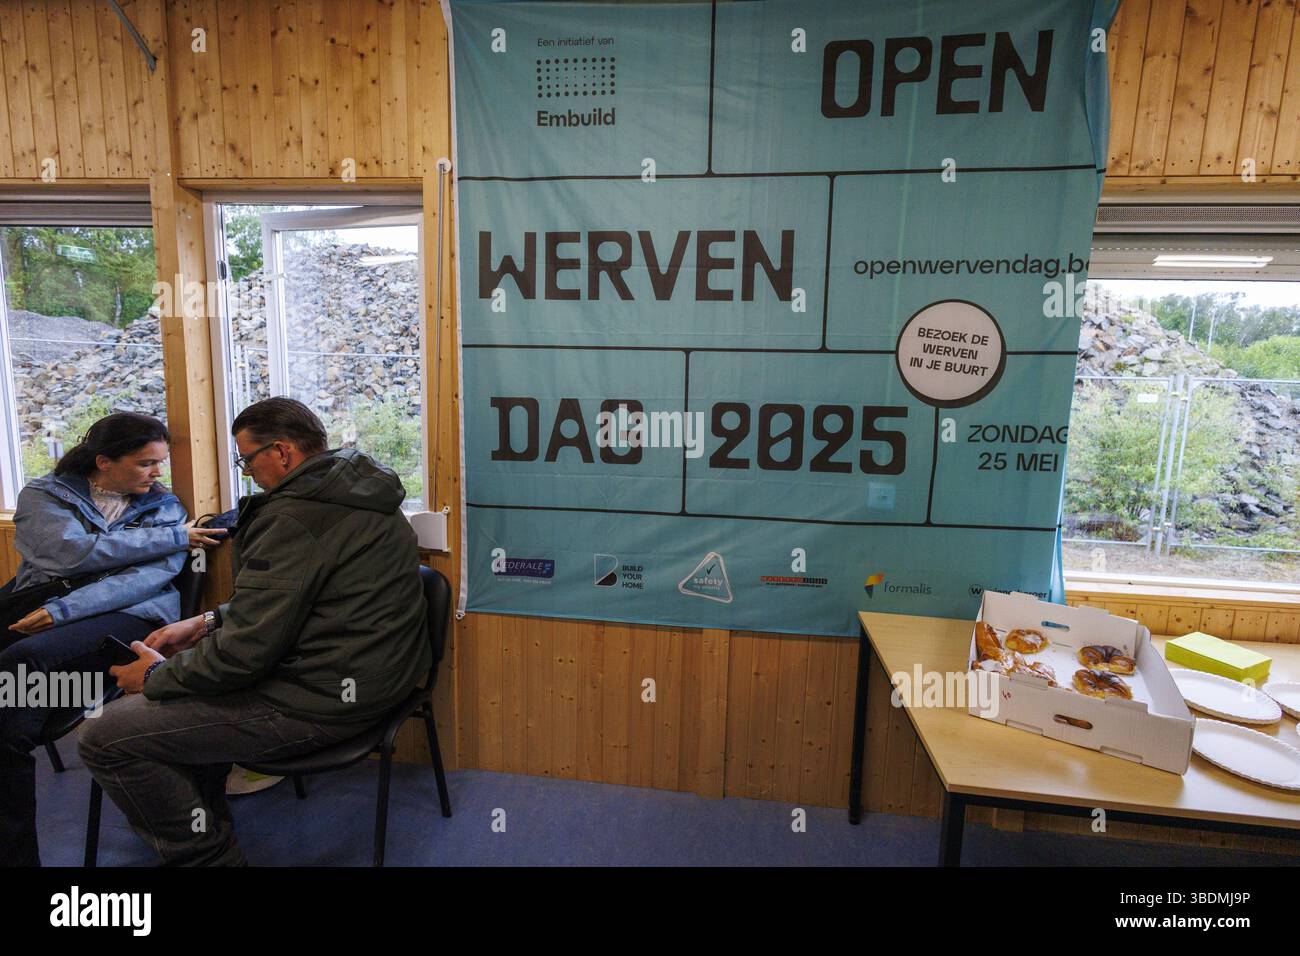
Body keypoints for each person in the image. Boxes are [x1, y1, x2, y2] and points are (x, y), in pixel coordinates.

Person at [80, 397, 430, 866]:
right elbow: (300, 602)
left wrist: (153, 678)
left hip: (316, 701)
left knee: (103, 735)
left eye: (248, 460)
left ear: (282, 453)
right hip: (374, 679)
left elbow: (243, 657)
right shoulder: (359, 489)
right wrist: (207, 620)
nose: (247, 472)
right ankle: (206, 819)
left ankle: (210, 857)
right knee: (173, 704)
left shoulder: (294, 518)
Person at [0, 412, 225, 867]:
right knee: (9, 712)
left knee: (19, 666)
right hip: (40, 607)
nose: (158, 474)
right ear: (104, 461)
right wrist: (169, 539)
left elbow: (146, 580)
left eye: (160, 462)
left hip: (128, 617)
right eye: (146, 463)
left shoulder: (165, 509)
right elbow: (67, 554)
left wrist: (66, 610)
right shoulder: (45, 494)